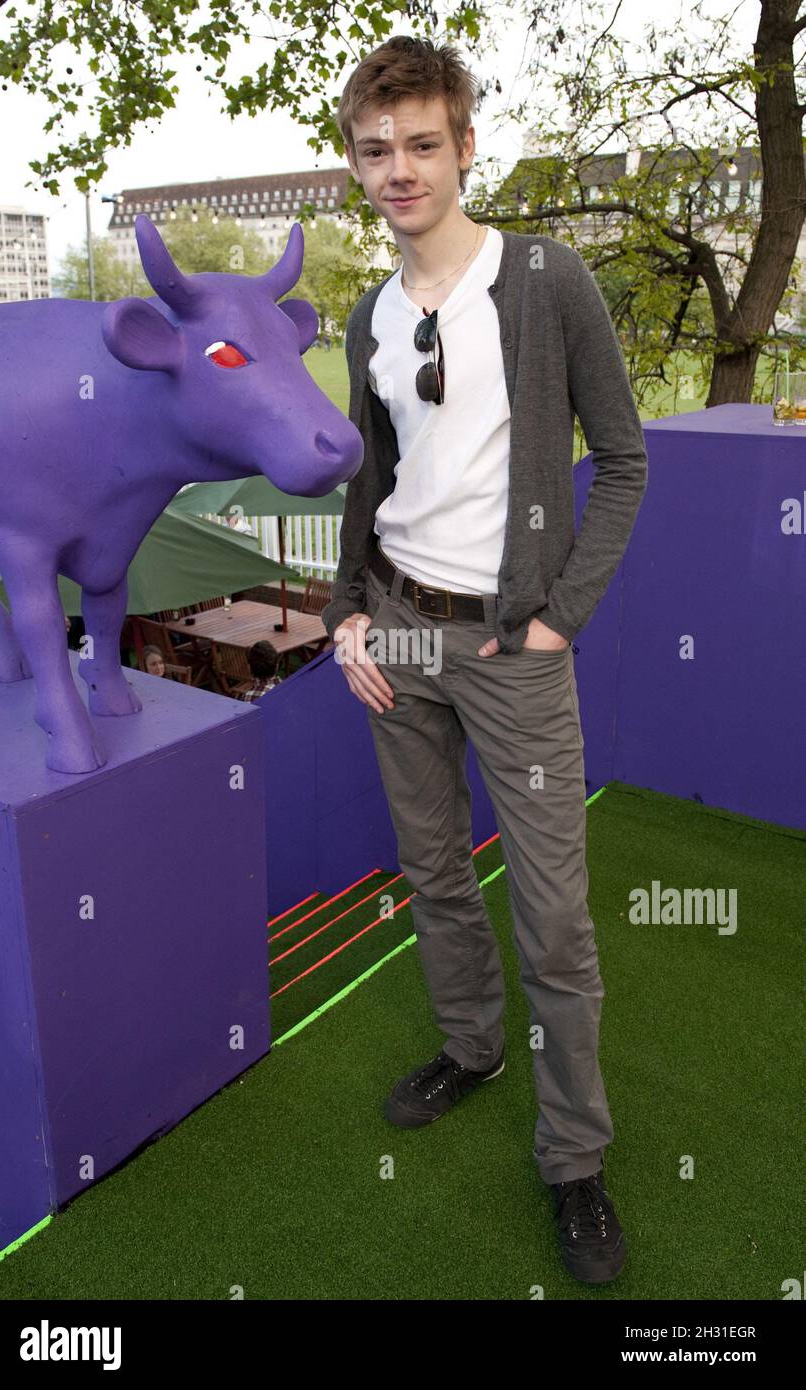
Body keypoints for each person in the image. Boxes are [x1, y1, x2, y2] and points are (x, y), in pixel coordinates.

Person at [321, 35, 648, 1285]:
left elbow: (620, 458)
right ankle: (470, 1047)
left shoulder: (545, 279)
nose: (396, 169)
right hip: (396, 625)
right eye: (373, 150)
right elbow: (369, 477)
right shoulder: (368, 312)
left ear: (463, 147)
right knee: (429, 867)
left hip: (514, 642)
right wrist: (349, 610)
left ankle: (573, 1157)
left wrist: (559, 613)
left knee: (554, 919)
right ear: (355, 163)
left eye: (419, 145)